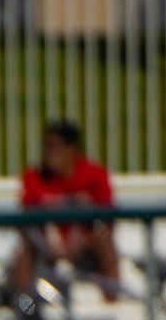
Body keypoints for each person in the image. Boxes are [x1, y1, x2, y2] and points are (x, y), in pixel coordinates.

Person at [14, 119, 121, 302]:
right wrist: (48, 245)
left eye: (55, 146)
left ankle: (112, 307)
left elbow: (108, 220)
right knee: (22, 256)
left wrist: (87, 241)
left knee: (107, 247)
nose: (49, 152)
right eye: (46, 146)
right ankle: (26, 310)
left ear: (72, 149)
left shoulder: (93, 175)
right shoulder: (35, 177)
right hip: (47, 247)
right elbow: (26, 220)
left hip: (86, 248)